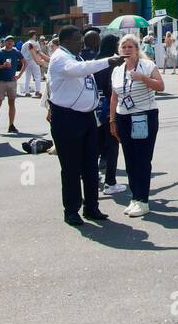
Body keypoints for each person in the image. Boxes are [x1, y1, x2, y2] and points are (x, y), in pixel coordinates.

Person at [48, 26, 123, 226]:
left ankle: (92, 207)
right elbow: (78, 71)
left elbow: (85, 69)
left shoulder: (77, 57)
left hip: (87, 118)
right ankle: (71, 210)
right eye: (77, 40)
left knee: (90, 165)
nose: (81, 43)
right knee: (71, 167)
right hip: (67, 119)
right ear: (65, 41)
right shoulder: (60, 58)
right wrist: (108, 61)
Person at [109, 33, 164, 217]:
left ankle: (143, 199)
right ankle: (135, 197)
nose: (126, 50)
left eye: (130, 47)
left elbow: (160, 86)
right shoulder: (118, 70)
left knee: (142, 159)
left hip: (144, 116)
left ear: (137, 49)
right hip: (123, 116)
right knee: (130, 159)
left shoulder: (147, 66)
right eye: (123, 47)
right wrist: (112, 120)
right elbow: (114, 96)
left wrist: (143, 78)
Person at [95, 33, 126, 196]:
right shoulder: (113, 64)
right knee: (112, 145)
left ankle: (95, 178)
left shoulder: (95, 61)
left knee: (96, 146)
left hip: (94, 110)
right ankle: (110, 182)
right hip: (110, 109)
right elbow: (113, 89)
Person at [0, 36, 24, 136]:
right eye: (8, 41)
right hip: (1, 81)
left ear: (13, 43)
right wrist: (3, 66)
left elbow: (25, 63)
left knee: (12, 103)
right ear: (4, 42)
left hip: (12, 81)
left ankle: (11, 125)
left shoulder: (16, 52)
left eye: (12, 41)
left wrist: (19, 75)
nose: (10, 43)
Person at [18, 30, 45, 97]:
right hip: (34, 60)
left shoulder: (25, 44)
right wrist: (40, 60)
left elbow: (21, 53)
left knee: (27, 77)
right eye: (35, 35)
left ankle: (27, 92)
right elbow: (38, 52)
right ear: (33, 35)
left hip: (27, 62)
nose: (36, 36)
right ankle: (37, 91)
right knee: (37, 76)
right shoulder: (35, 43)